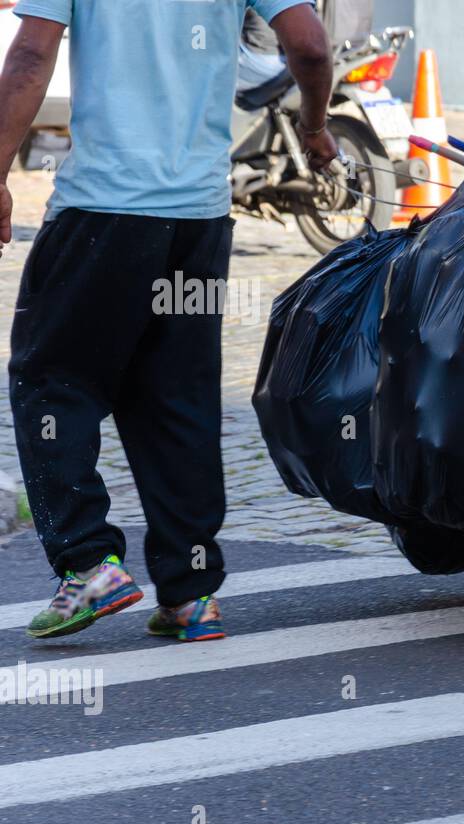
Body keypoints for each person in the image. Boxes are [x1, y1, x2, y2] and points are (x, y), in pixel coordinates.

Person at [0, 0, 339, 642]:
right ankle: (190, 594)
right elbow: (312, 46)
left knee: (51, 381)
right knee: (176, 400)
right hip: (198, 221)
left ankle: (87, 563)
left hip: (103, 210)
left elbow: (29, 54)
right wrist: (315, 125)